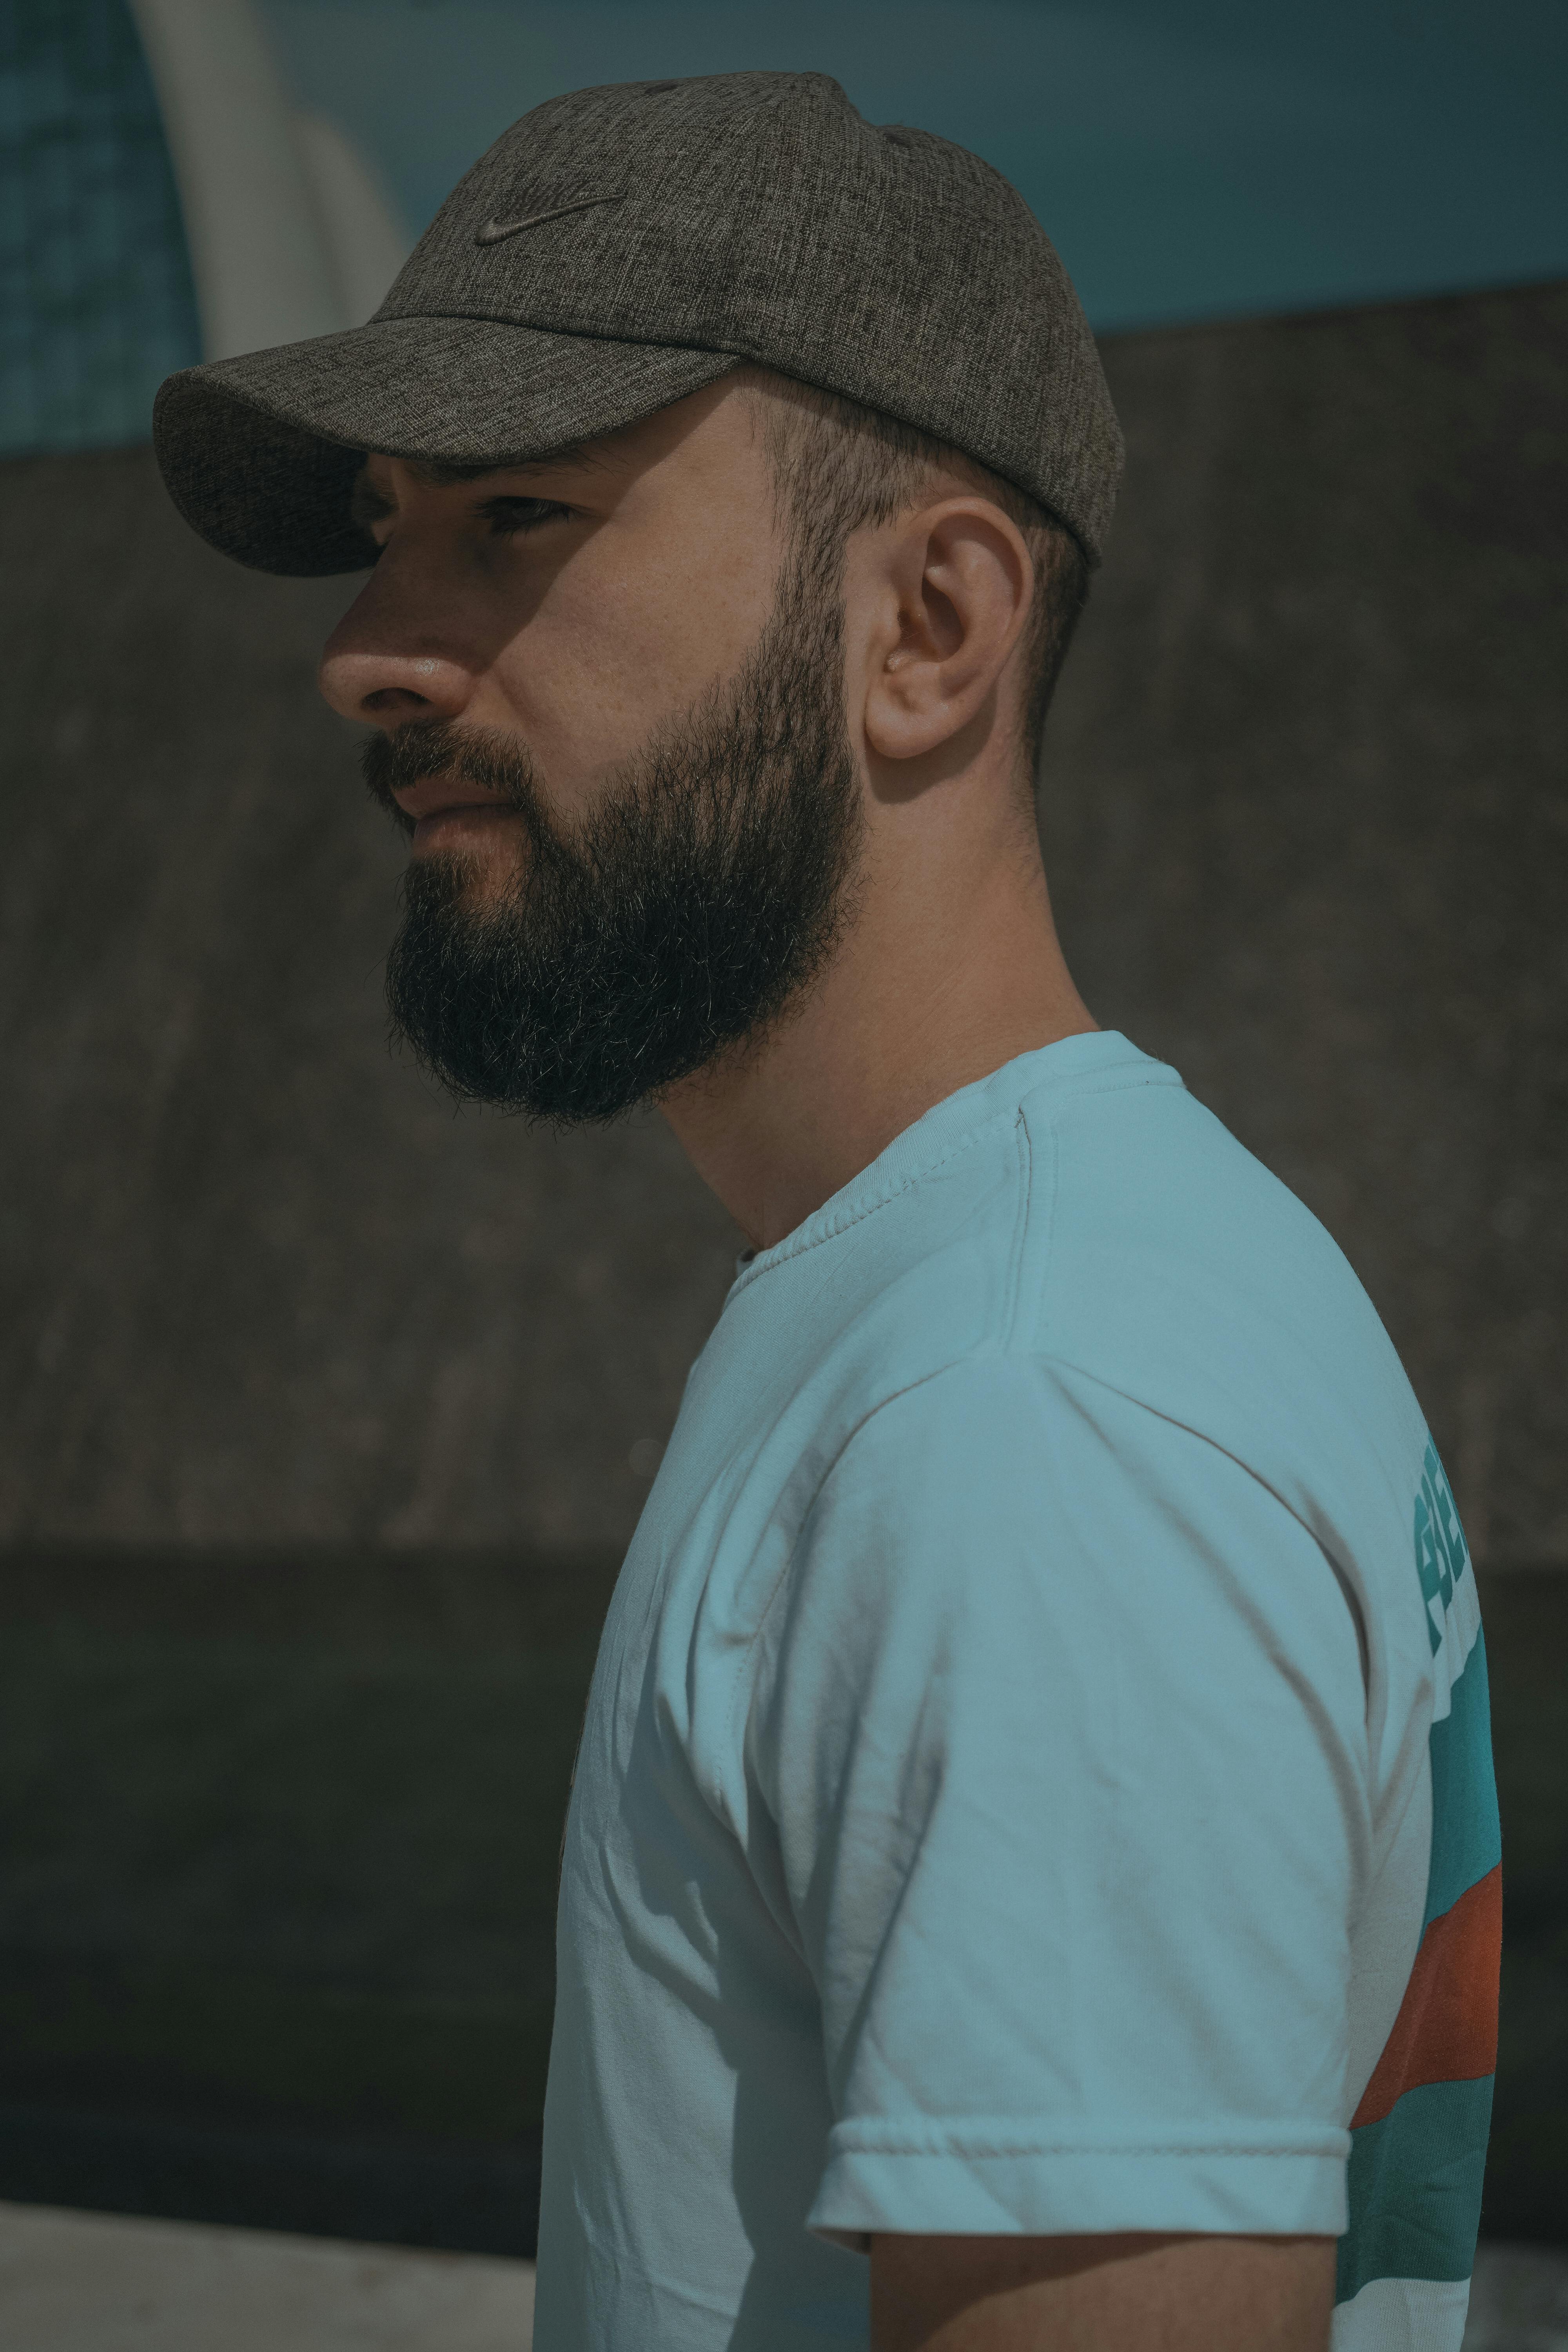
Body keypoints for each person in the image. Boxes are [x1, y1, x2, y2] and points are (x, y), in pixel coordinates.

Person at [154, 70, 1500, 2352]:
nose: (369, 647)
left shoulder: (1025, 1424)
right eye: (388, 526)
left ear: (929, 628)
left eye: (514, 521)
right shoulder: (1051, 1293)